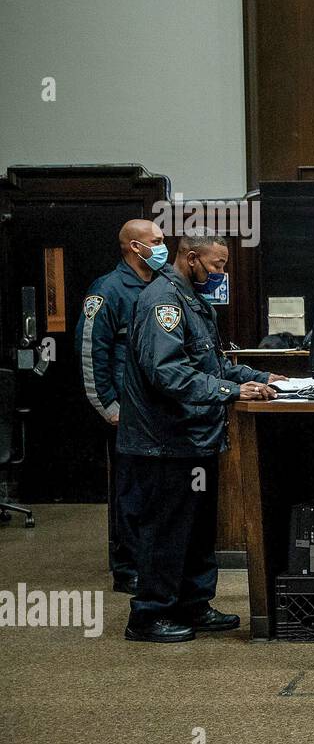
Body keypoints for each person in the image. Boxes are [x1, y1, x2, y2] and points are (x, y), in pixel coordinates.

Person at [116, 230, 283, 643]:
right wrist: (230, 391)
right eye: (216, 265)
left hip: (195, 438)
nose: (220, 272)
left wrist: (263, 377)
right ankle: (149, 615)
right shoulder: (163, 302)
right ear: (191, 258)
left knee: (197, 529)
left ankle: (193, 604)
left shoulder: (192, 301)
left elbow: (213, 364)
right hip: (165, 441)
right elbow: (167, 372)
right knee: (167, 530)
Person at [74, 219, 170, 595]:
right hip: (126, 412)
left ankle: (154, 561)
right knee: (130, 492)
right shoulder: (108, 289)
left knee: (157, 490)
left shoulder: (160, 285)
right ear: (134, 246)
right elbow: (90, 352)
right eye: (156, 241)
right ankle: (128, 568)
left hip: (157, 409)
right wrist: (108, 407)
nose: (162, 247)